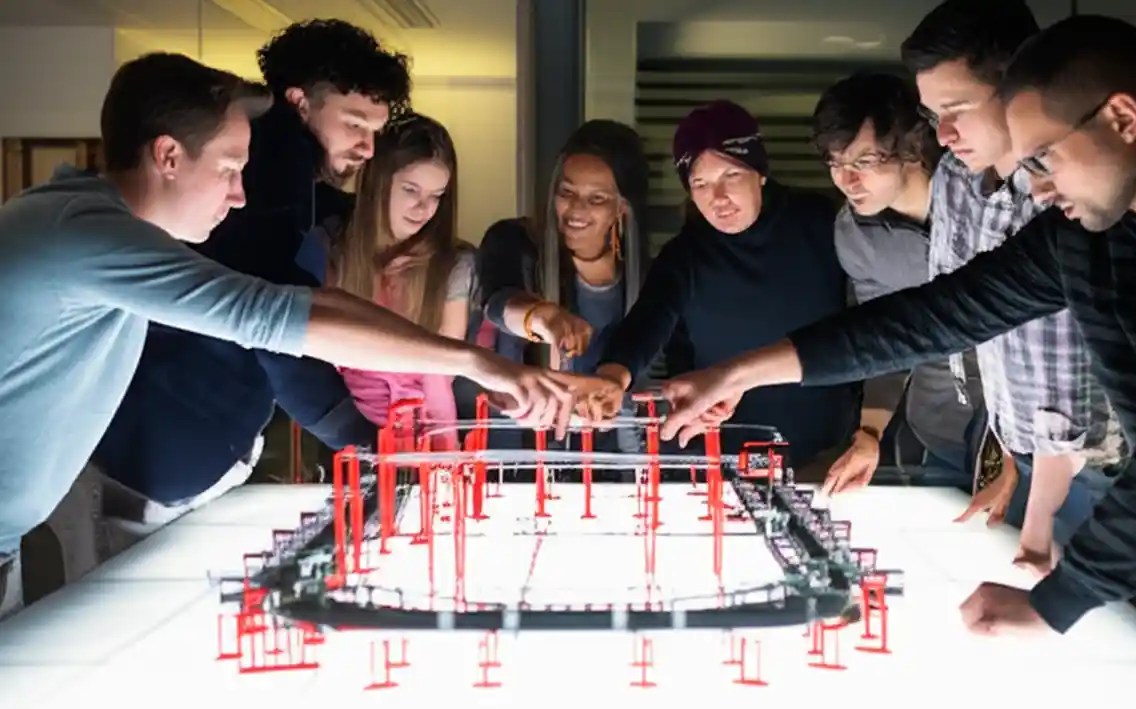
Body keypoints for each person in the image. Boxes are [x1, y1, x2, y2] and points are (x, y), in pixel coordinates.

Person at [657, 16, 1136, 701]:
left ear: (1122, 119)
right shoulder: (1089, 232)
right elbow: (940, 314)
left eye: (1043, 156)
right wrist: (742, 370)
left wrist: (1058, 603)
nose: (1035, 188)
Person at [0, 53, 580, 620]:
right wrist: (477, 364)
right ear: (168, 156)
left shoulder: (93, 224)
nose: (239, 194)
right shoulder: (86, 237)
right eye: (229, 169)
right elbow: (275, 316)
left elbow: (304, 303)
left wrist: (474, 362)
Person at [93, 19, 410, 515]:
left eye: (374, 131)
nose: (368, 149)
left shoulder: (285, 166)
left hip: (164, 441)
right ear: (300, 101)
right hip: (163, 447)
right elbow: (274, 313)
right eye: (354, 124)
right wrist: (362, 440)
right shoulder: (277, 152)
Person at [898, 0, 1117, 572]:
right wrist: (1003, 460)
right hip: (1021, 451)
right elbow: (961, 326)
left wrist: (1040, 523)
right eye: (931, 115)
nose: (942, 134)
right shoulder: (953, 176)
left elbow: (1063, 378)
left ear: (1020, 87)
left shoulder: (1063, 187)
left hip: (1090, 464)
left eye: (958, 109)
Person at [583, 100, 862, 475]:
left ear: (760, 172)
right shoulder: (686, 254)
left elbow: (872, 317)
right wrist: (612, 377)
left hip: (829, 455)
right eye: (700, 183)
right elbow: (648, 320)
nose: (718, 199)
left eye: (730, 176)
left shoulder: (822, 223)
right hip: (723, 459)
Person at [811, 70, 988, 494]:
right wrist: (869, 433)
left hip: (1031, 437)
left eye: (864, 162)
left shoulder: (983, 203)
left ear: (910, 146)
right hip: (943, 432)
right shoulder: (856, 234)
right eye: (835, 163)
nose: (847, 181)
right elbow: (887, 337)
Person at [470, 119, 650, 454]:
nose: (576, 210)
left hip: (619, 462)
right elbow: (497, 300)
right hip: (520, 453)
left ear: (622, 208)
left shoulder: (647, 277)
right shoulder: (513, 241)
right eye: (567, 192)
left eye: (596, 199)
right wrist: (542, 317)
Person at [317, 113, 473, 450]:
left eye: (437, 196)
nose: (423, 208)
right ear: (379, 182)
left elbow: (439, 372)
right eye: (411, 190)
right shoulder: (333, 248)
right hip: (344, 436)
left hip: (425, 433)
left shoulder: (454, 264)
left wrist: (444, 453)